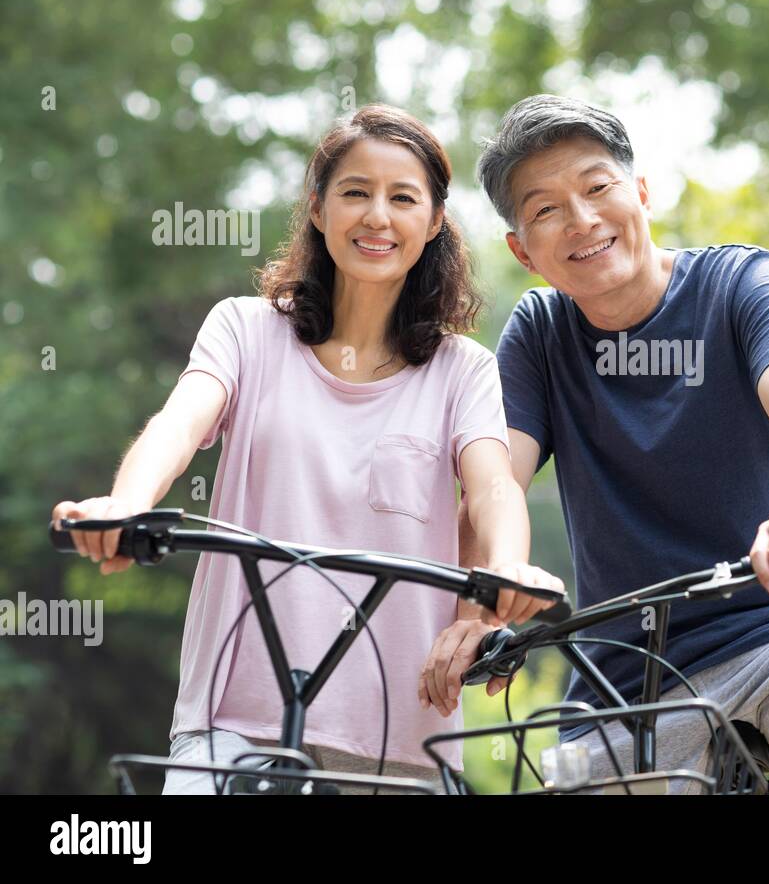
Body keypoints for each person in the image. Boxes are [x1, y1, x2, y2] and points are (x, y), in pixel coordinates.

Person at [423, 94, 769, 794]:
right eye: (546, 210)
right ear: (523, 251)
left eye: (598, 187)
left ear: (640, 192)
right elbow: (495, 482)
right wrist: (483, 596)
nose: (582, 220)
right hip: (628, 680)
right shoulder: (541, 333)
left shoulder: (738, 282)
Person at [51, 103, 563, 794]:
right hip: (233, 724)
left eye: (402, 198)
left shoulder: (461, 371)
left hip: (399, 739)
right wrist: (126, 504)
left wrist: (507, 568)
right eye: (356, 192)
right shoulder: (245, 331)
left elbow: (493, 485)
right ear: (319, 209)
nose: (377, 217)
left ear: (434, 221)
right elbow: (178, 424)